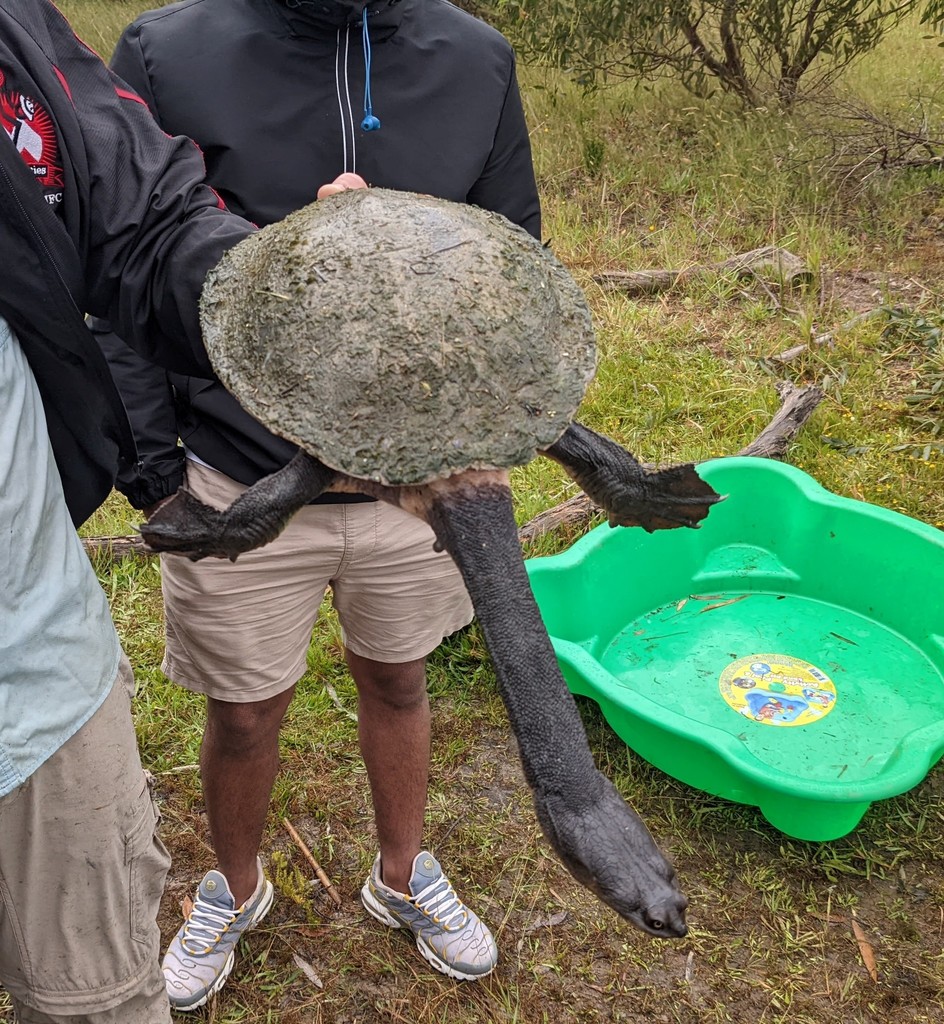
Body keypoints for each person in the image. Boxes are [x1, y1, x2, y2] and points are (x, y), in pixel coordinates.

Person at [93, 0, 541, 1007]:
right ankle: (236, 888)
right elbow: (118, 270)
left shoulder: (475, 59)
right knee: (244, 711)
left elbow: (512, 260)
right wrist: (153, 466)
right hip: (235, 464)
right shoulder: (168, 52)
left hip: (416, 476)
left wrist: (483, 427)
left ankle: (400, 874)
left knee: (399, 678)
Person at [0, 1, 262, 1020]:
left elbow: (145, 221)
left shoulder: (13, 32)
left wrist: (272, 292)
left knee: (106, 999)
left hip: (36, 667)